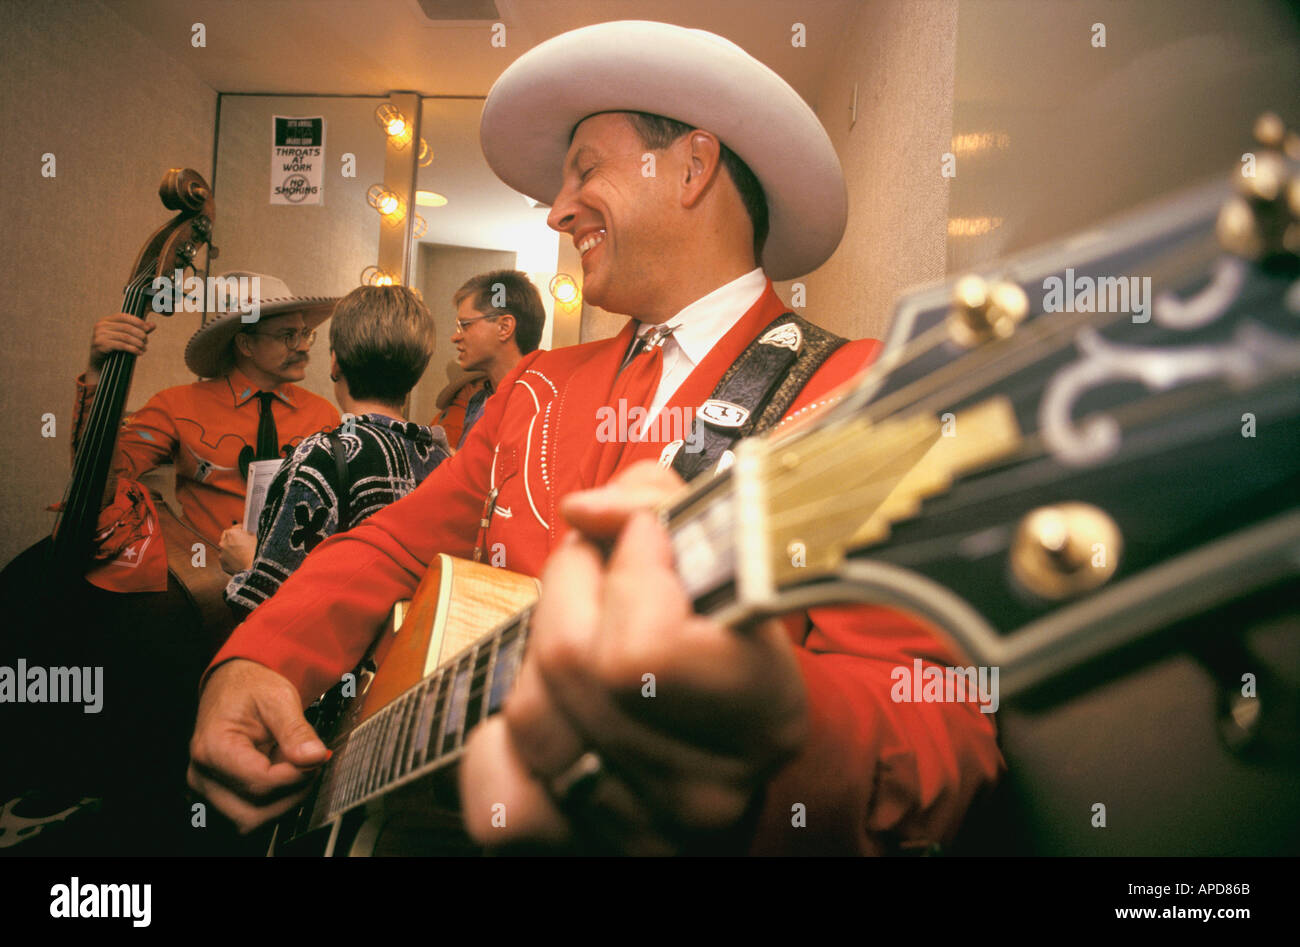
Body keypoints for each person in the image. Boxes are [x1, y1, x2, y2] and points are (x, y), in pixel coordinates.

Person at [188, 21, 1003, 855]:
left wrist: (776, 742)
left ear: (693, 166)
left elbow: (940, 724)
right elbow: (396, 544)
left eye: (586, 170)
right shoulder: (535, 386)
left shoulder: (861, 393)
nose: (558, 209)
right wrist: (262, 656)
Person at [76, 271, 339, 563]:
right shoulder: (177, 405)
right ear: (245, 345)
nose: (303, 347)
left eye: (304, 334)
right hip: (203, 588)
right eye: (288, 336)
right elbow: (103, 481)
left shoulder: (323, 414)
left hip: (291, 587)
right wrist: (98, 375)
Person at [222, 285, 450, 618]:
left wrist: (247, 561)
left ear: (335, 362)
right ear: (419, 368)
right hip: (407, 658)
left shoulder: (320, 458)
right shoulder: (443, 460)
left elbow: (275, 609)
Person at [432, 269, 544, 448]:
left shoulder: (540, 407)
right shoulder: (478, 401)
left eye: (465, 325)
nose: (455, 337)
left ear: (504, 327)